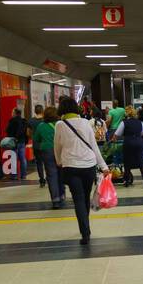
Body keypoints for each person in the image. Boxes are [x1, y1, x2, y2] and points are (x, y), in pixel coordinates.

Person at [52, 96, 109, 246]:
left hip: (70, 167)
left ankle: (85, 232)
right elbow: (94, 146)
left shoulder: (60, 124)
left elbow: (57, 146)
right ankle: (86, 226)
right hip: (88, 166)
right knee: (85, 198)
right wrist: (104, 166)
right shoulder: (85, 123)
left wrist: (58, 161)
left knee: (78, 199)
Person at [34, 106, 63, 208]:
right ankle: (62, 195)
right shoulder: (60, 125)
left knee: (51, 175)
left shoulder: (41, 126)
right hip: (60, 151)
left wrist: (42, 145)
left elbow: (36, 139)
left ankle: (55, 200)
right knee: (61, 174)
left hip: (47, 152)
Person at [117, 106, 143, 188]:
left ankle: (127, 181)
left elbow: (118, 134)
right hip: (139, 143)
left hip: (128, 143)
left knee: (127, 162)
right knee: (142, 162)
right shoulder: (140, 122)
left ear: (127, 114)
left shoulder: (124, 122)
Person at [5, 108, 29, 181]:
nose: (11, 113)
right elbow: (26, 132)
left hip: (14, 142)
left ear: (15, 113)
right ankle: (23, 175)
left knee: (13, 158)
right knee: (23, 159)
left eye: (12, 112)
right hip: (22, 142)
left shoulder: (12, 121)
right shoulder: (24, 121)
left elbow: (7, 130)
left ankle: (14, 176)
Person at [28, 105, 47, 188]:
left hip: (36, 145)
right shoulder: (46, 120)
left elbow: (28, 133)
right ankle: (49, 178)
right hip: (46, 145)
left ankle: (42, 180)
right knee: (47, 163)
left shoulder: (31, 121)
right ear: (42, 111)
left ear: (35, 111)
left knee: (39, 163)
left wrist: (33, 137)